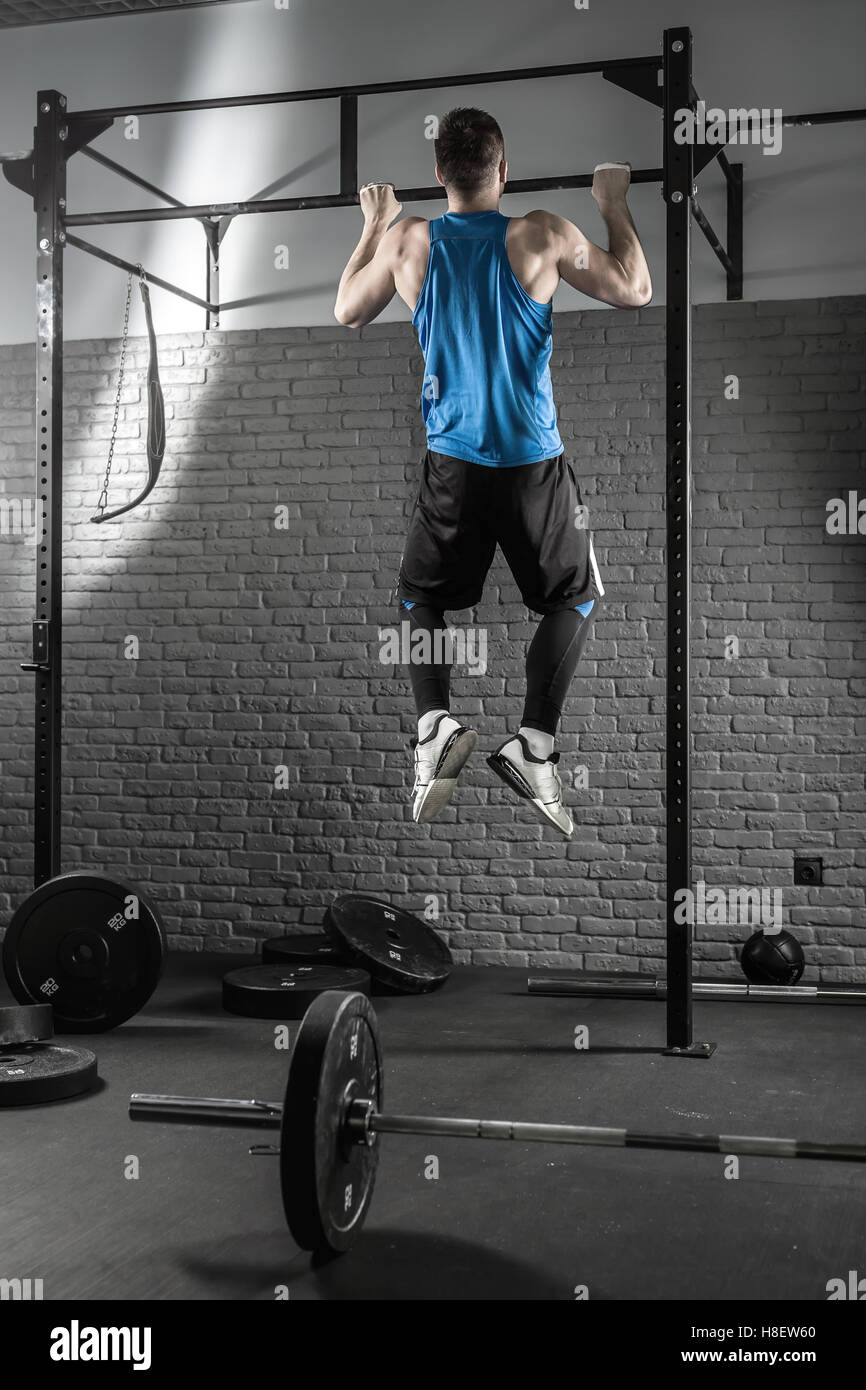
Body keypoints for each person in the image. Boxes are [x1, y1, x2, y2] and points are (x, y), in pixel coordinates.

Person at [334, 107, 651, 836]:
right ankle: (534, 743)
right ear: (503, 172)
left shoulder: (408, 240)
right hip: (533, 464)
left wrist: (372, 223)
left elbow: (349, 310)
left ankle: (435, 723)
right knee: (574, 596)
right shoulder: (540, 233)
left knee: (420, 596)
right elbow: (635, 289)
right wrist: (613, 204)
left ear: (440, 173)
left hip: (454, 463)